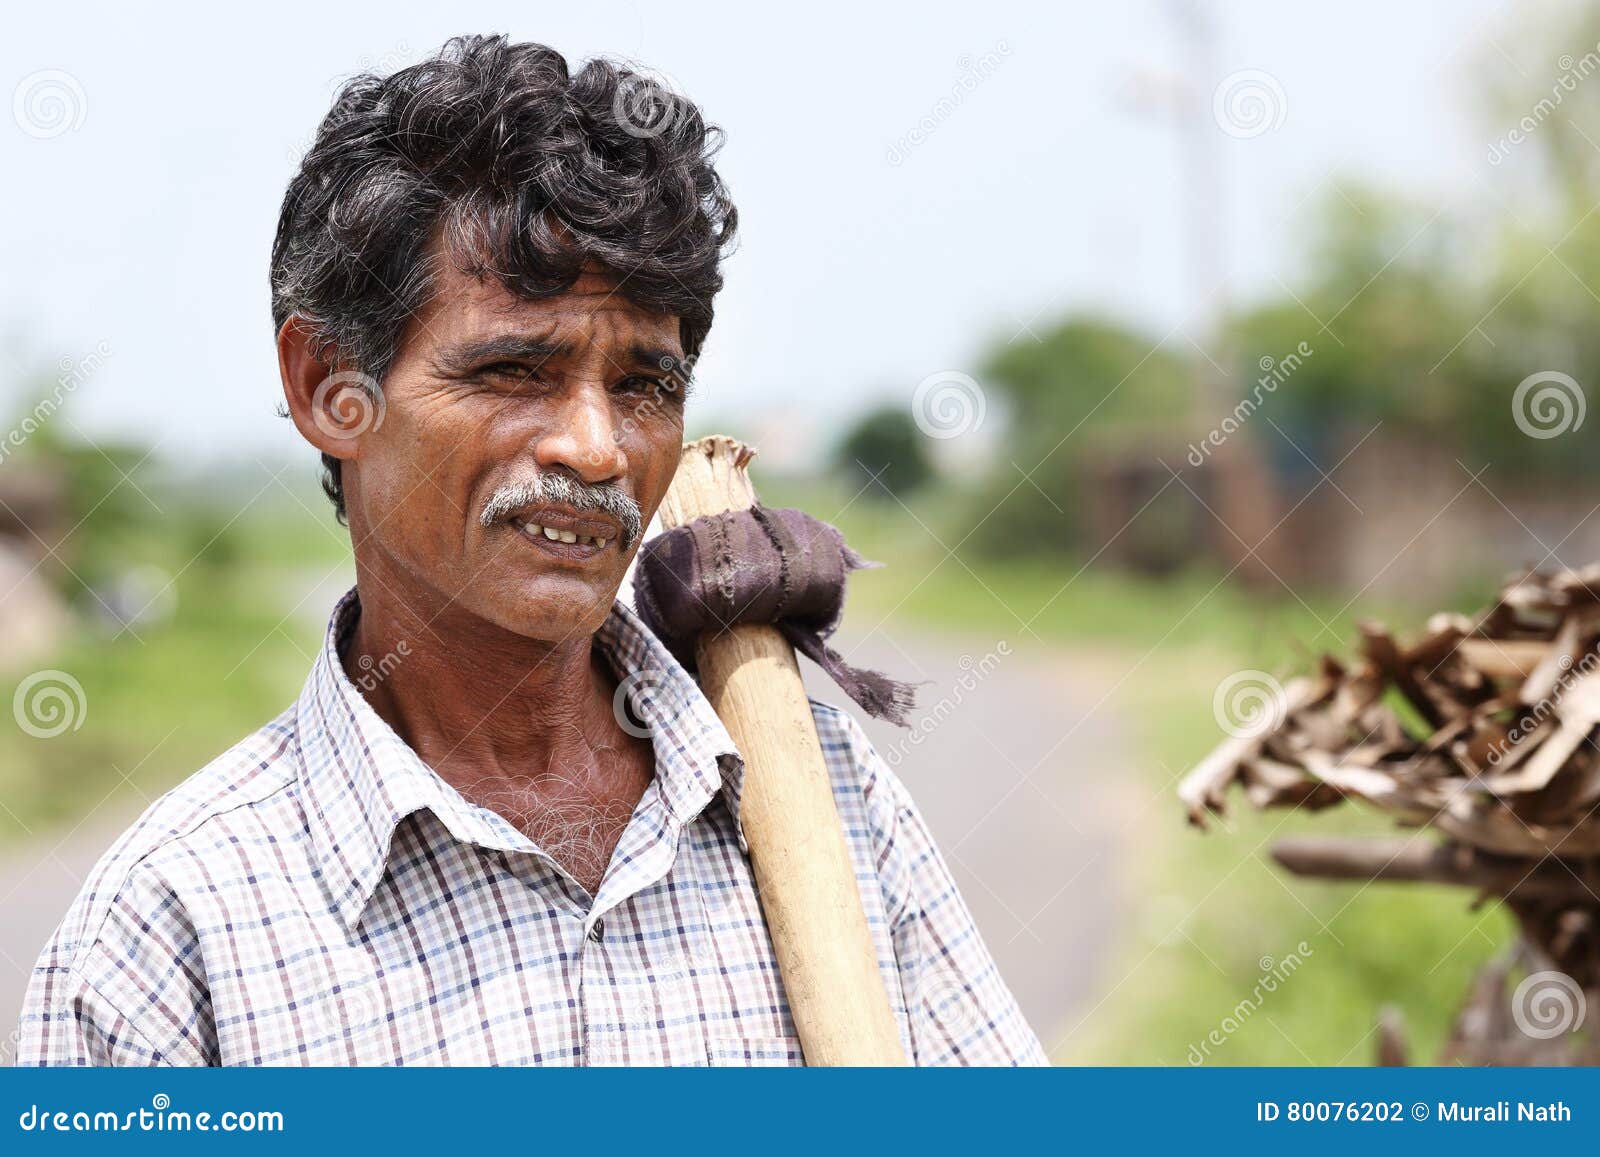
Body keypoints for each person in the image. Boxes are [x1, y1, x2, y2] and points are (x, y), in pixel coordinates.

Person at [16, 35, 1045, 1067]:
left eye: (646, 384)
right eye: (515, 369)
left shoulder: (813, 794)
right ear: (328, 384)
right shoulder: (168, 941)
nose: (596, 450)